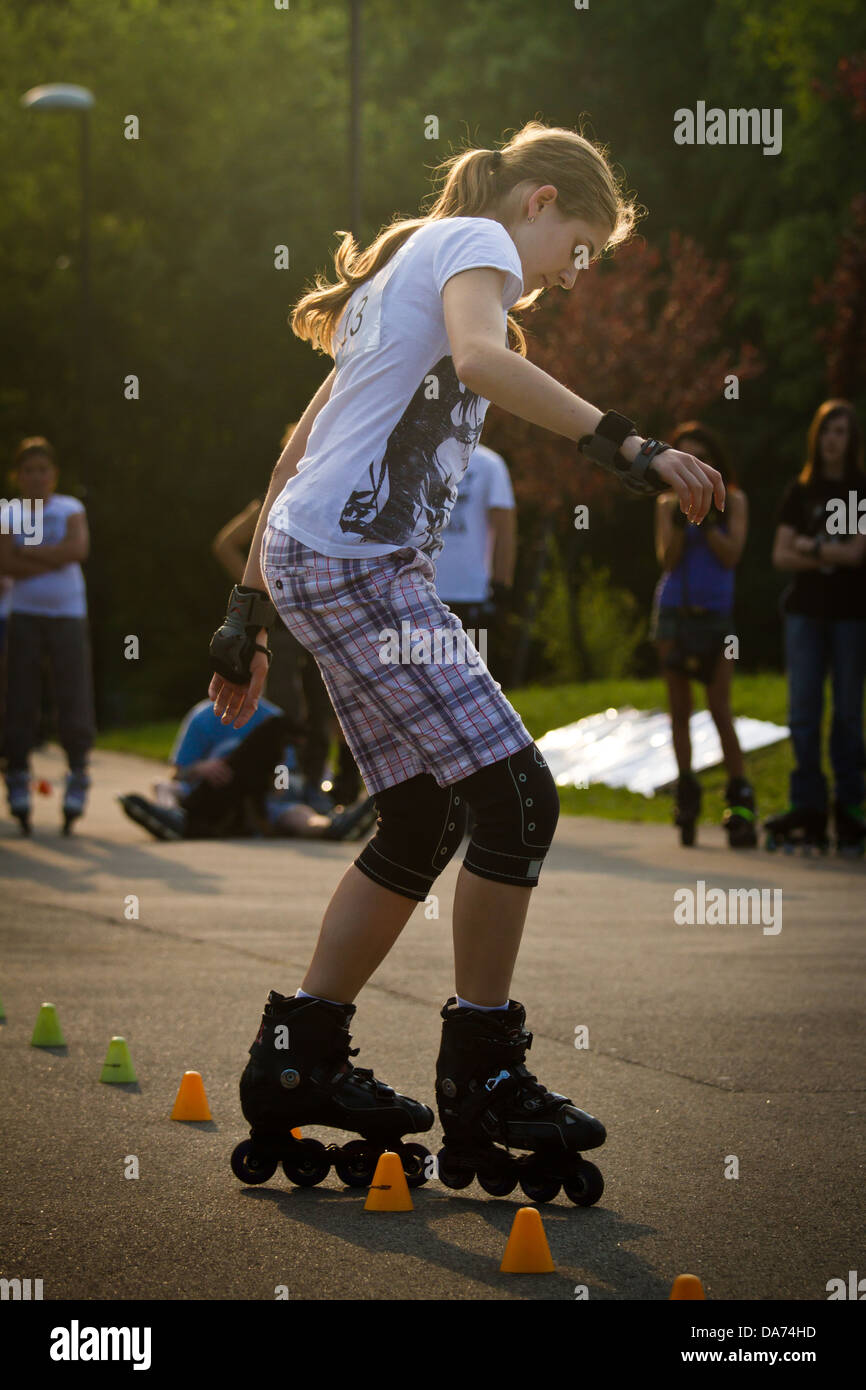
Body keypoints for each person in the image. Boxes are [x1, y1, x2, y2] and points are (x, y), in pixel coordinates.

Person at [208, 121, 724, 1201]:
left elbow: (292, 449)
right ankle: (482, 1076)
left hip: (316, 558)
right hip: (357, 568)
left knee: (419, 814)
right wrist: (635, 449)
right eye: (576, 248)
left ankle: (300, 1054)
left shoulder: (419, 258)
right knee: (516, 797)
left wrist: (244, 609)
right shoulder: (470, 248)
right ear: (536, 201)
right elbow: (485, 360)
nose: (569, 277)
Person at [211, 423, 362, 812]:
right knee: (285, 701)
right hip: (285, 618)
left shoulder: (337, 495)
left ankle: (318, 785)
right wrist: (265, 589)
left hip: (325, 614)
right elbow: (226, 544)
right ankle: (286, 783)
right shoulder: (275, 498)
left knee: (325, 700)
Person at [767, 400, 866, 854]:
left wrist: (809, 546)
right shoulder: (799, 491)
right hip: (805, 613)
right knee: (803, 714)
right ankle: (807, 805)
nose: (833, 440)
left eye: (842, 432)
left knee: (847, 714)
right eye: (827, 431)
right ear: (817, 437)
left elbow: (855, 554)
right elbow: (779, 555)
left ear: (851, 440)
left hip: (849, 615)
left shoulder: (858, 490)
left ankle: (850, 807)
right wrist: (826, 549)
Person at [651, 422, 753, 846]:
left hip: (715, 617)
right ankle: (687, 795)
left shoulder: (735, 499)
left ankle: (741, 798)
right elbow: (666, 561)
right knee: (679, 711)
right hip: (675, 613)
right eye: (684, 456)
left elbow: (732, 557)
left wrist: (709, 519)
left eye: (700, 457)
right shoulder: (665, 504)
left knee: (719, 707)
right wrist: (678, 520)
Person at [118, 696, 376, 843]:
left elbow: (285, 773)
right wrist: (201, 768)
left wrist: (275, 784)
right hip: (207, 797)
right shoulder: (203, 716)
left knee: (294, 811)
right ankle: (173, 818)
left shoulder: (273, 719)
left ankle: (331, 827)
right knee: (163, 785)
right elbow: (177, 773)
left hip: (261, 799)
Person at [0, 437, 95, 834]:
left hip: (67, 615)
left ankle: (77, 771)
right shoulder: (10, 513)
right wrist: (53, 555)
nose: (37, 477)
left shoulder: (70, 508)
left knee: (72, 694)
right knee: (20, 696)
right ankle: (18, 773)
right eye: (29, 470)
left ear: (53, 474)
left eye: (43, 469)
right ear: (18, 477)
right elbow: (5, 562)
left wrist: (28, 556)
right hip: (24, 615)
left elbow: (78, 550)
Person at [433, 441, 517, 683]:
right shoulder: (419, 457)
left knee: (474, 684)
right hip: (423, 590)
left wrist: (501, 586)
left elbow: (505, 529)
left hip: (470, 592)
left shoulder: (489, 464)